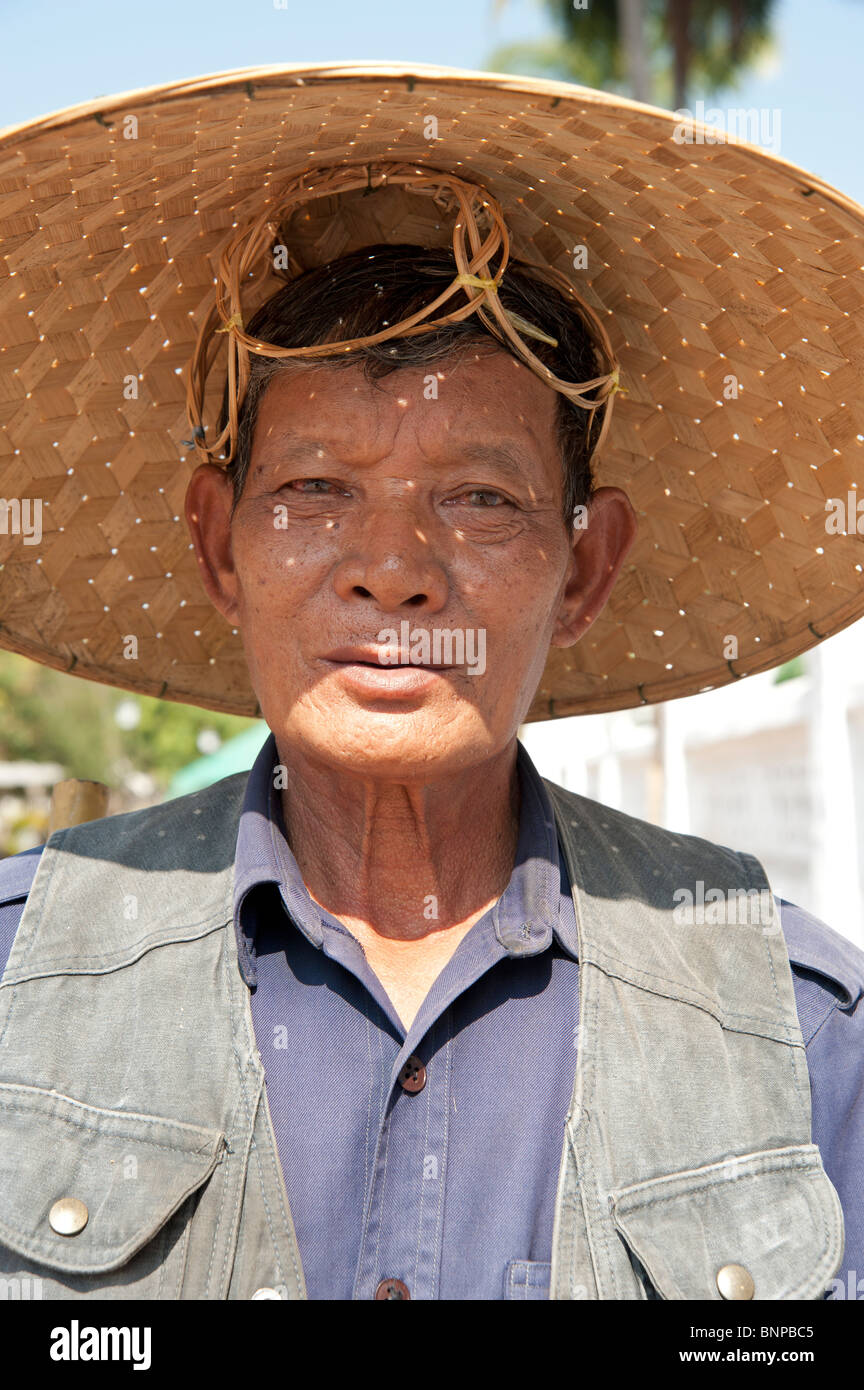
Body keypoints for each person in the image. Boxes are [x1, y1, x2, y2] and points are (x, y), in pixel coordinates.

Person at [0, 62, 862, 1302]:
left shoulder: (801, 1030)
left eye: (480, 498)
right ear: (215, 545)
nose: (394, 572)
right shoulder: (21, 978)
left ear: (586, 566)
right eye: (314, 491)